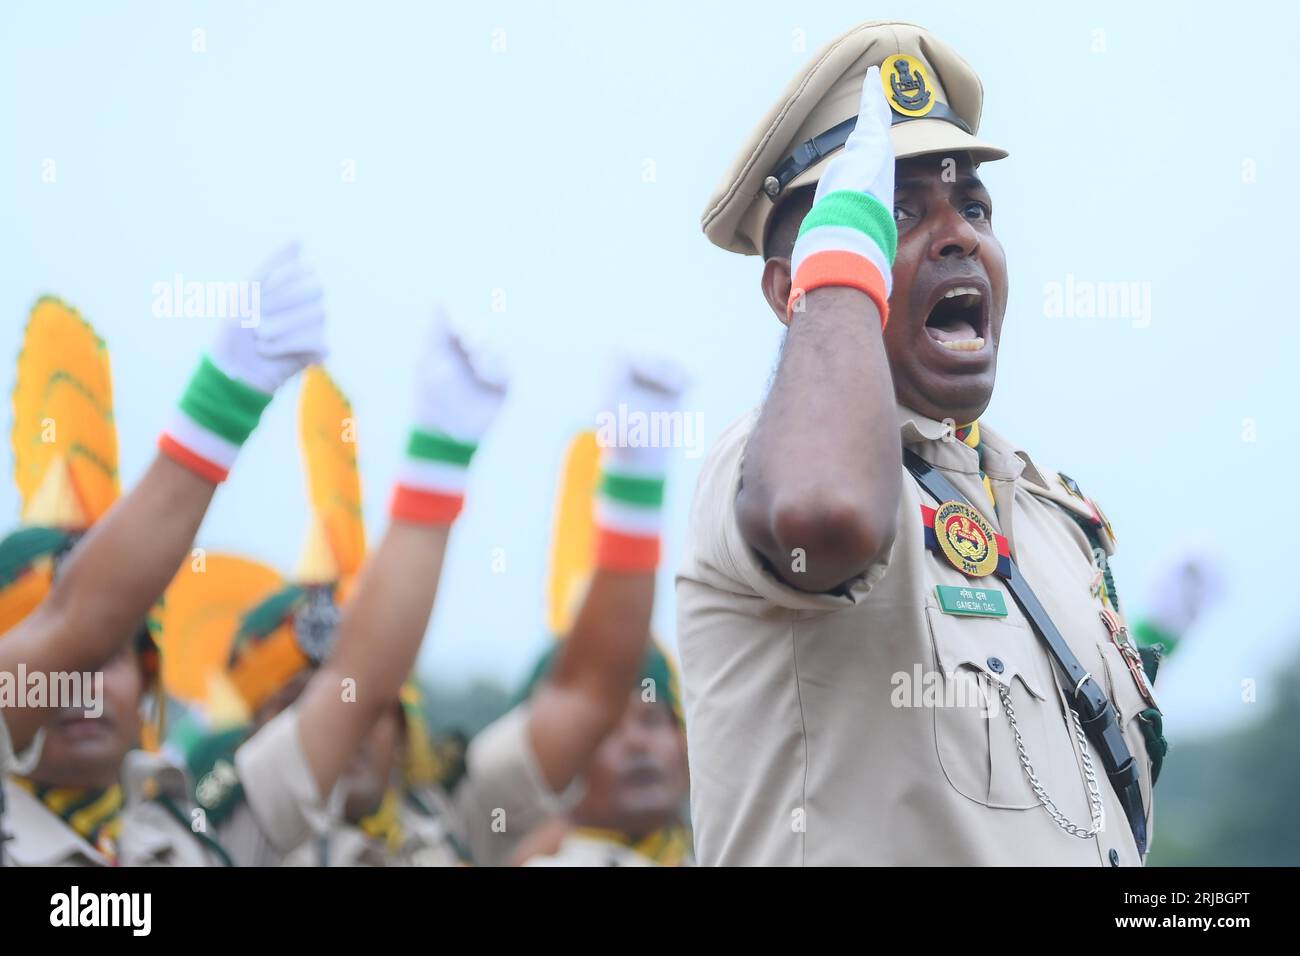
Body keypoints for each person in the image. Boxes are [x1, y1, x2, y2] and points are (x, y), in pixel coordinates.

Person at [679, 20, 1164, 866]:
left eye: (974, 207)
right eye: (895, 211)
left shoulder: (1050, 512)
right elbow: (825, 513)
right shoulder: (766, 465)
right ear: (798, 282)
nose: (959, 235)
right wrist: (837, 276)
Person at [0, 244, 327, 865]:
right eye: (43, 649)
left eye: (110, 657)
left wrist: (439, 465)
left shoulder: (193, 832)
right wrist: (219, 407)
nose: (79, 685)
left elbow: (361, 689)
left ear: (150, 678)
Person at [170, 315, 507, 866]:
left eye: (372, 706)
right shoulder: (209, 840)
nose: (340, 718)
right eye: (294, 704)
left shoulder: (456, 832)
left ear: (404, 732)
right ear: (249, 740)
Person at [451, 356, 688, 866]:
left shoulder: (740, 849)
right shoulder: (503, 841)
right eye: (602, 727)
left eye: (651, 720)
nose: (637, 746)